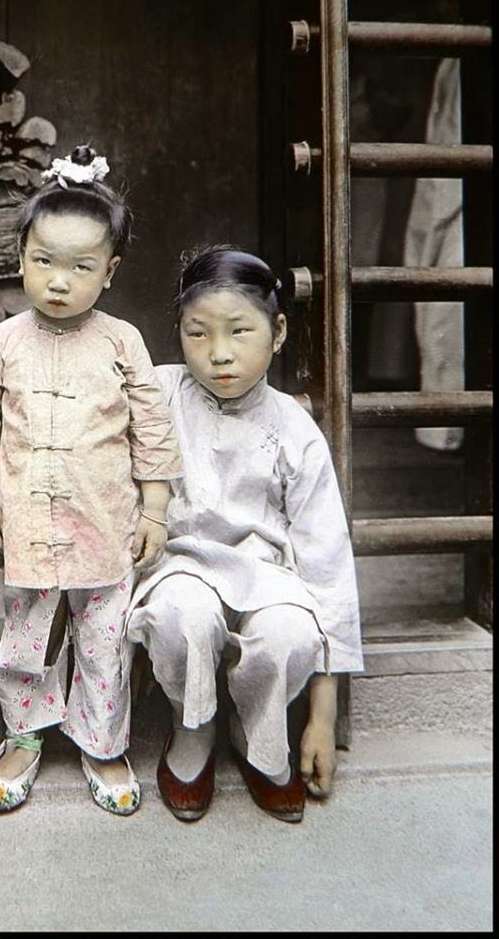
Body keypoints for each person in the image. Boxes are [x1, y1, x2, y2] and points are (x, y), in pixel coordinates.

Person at [0, 146, 183, 815]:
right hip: (26, 522)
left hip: (104, 525)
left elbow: (152, 432)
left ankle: (101, 741)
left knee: (105, 641)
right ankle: (23, 734)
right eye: (43, 261)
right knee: (25, 638)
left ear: (109, 272)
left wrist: (155, 510)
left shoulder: (121, 341)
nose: (57, 281)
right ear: (19, 257)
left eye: (80, 267)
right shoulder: (3, 342)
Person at [126, 245, 364, 823]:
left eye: (240, 331)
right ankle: (195, 726)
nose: (220, 353)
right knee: (184, 613)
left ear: (277, 331)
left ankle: (258, 734)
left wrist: (323, 715)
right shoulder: (156, 394)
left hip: (267, 576)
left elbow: (326, 559)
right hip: (177, 566)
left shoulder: (293, 426)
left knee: (288, 630)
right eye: (198, 333)